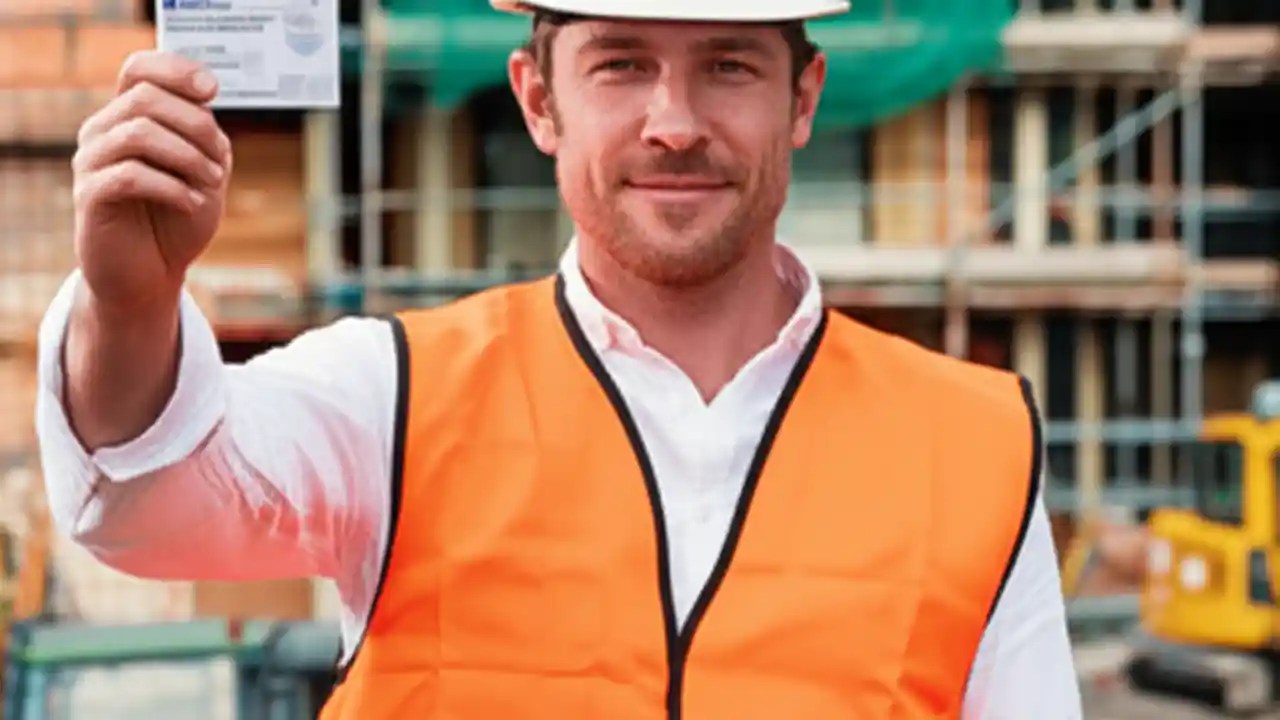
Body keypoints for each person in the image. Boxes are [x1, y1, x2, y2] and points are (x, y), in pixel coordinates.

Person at [35, 0, 1084, 716]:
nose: (672, 124)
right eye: (621, 65)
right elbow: (141, 503)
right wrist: (132, 307)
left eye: (726, 66)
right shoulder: (392, 398)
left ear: (803, 99)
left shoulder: (975, 443)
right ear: (538, 98)